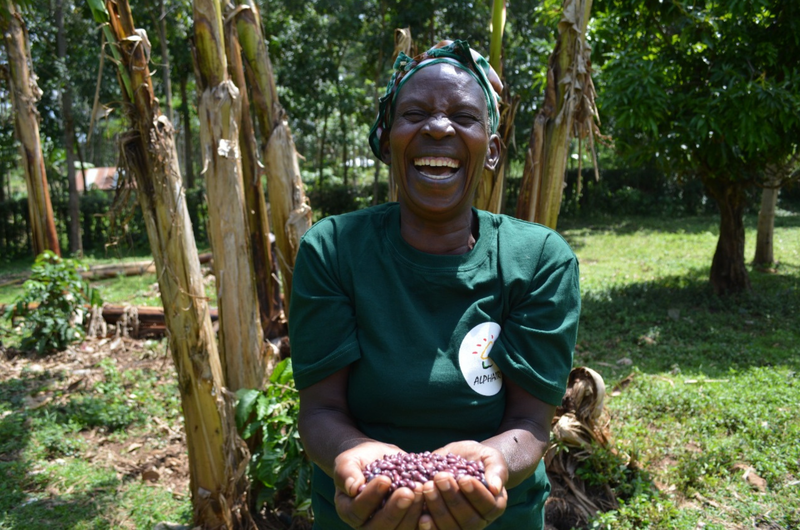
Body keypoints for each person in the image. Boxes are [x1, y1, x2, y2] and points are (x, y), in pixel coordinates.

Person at [289, 40, 581, 530]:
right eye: (415, 113)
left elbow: (530, 423)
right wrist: (354, 454)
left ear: (490, 152)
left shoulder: (538, 260)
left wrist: (492, 464)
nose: (438, 126)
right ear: (388, 143)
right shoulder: (334, 249)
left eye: (464, 117)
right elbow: (321, 409)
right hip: (362, 515)